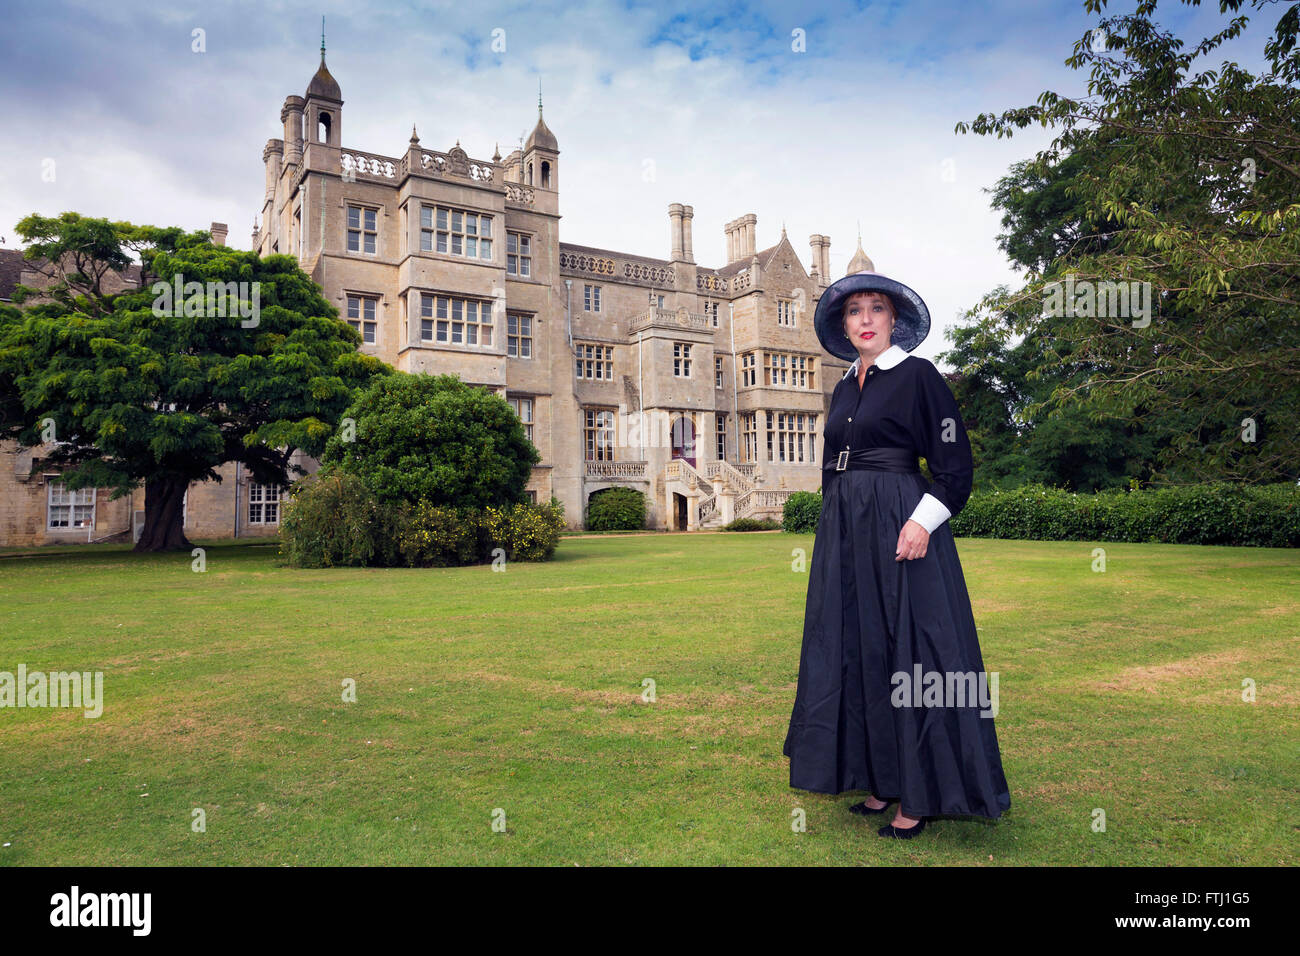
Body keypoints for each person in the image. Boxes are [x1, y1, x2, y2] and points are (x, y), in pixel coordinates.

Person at [782, 270, 1012, 839]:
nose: (864, 319)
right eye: (854, 311)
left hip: (903, 525)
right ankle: (881, 780)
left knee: (915, 657)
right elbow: (831, 465)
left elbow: (955, 469)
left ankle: (920, 796)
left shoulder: (920, 377)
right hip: (846, 532)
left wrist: (920, 522)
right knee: (858, 652)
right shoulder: (841, 388)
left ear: (893, 320)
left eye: (875, 309)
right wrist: (833, 529)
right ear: (844, 325)